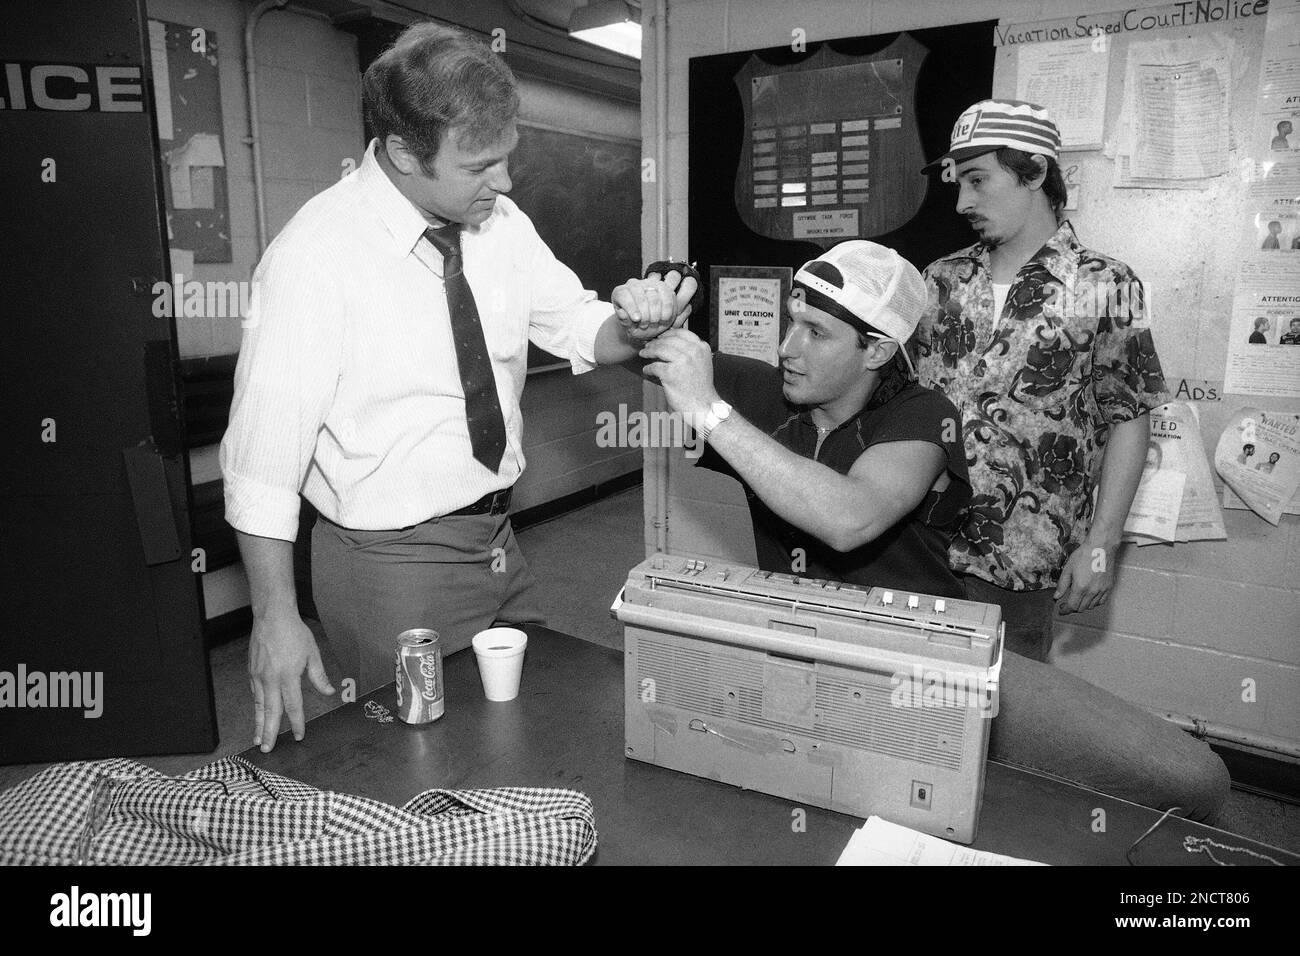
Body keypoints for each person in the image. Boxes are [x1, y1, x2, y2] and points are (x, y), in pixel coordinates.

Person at [221, 24, 695, 753]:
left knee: (520, 727)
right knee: (427, 764)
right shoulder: (313, 260)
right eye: (480, 165)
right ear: (404, 153)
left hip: (501, 535)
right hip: (391, 564)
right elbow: (260, 465)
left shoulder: (498, 222)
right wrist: (274, 617)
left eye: (507, 159)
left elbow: (575, 323)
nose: (503, 184)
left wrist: (635, 323)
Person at [639, 240, 1228, 823]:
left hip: (926, 664)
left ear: (875, 351)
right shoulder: (778, 392)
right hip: (809, 653)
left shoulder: (922, 414)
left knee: (1194, 777)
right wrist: (647, 303)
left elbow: (849, 519)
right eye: (792, 323)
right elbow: (629, 346)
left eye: (816, 333)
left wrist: (709, 413)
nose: (787, 348)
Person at [915, 100, 1168, 662]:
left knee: (1002, 724)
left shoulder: (1106, 284)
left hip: (1019, 562)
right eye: (959, 183)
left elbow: (1129, 417)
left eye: (978, 180)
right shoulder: (941, 280)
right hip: (919, 549)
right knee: (909, 726)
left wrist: (1102, 543)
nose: (962, 202)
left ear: (1033, 172)